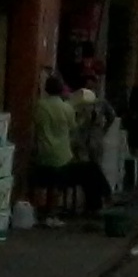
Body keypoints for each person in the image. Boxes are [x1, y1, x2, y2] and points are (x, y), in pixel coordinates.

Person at [29, 76, 76, 228]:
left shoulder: (40, 106)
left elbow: (35, 126)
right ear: (61, 90)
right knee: (57, 187)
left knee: (41, 183)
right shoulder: (67, 108)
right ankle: (52, 215)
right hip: (62, 153)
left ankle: (38, 213)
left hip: (43, 152)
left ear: (46, 89)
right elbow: (73, 127)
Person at [68, 81, 115, 216]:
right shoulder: (80, 103)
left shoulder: (100, 103)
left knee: (95, 166)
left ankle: (97, 201)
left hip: (94, 137)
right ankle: (96, 200)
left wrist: (104, 129)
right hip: (84, 138)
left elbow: (111, 115)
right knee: (90, 168)